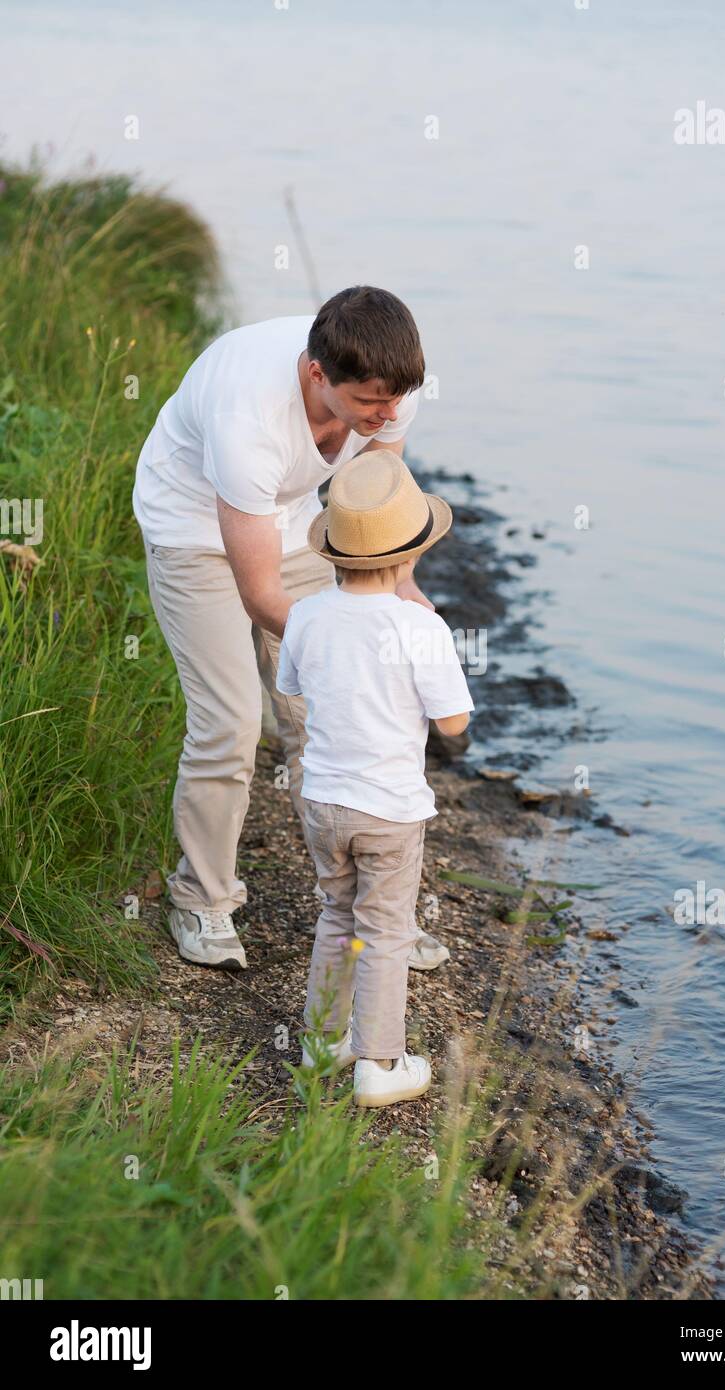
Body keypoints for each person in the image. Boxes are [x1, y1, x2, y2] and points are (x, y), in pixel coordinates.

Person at [132, 285, 452, 972]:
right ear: (317, 374)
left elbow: (376, 506)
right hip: (194, 526)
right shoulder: (249, 418)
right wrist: (350, 650)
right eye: (370, 402)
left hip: (291, 515)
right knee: (231, 722)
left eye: (396, 400)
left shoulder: (392, 388)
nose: (387, 414)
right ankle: (201, 898)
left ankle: (376, 913)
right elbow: (261, 595)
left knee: (329, 716)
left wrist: (401, 591)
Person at [278, 451, 473, 1106]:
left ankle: (322, 1043)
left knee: (337, 915)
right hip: (389, 810)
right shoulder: (421, 628)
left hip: (324, 802)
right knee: (385, 929)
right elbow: (452, 723)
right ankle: (380, 1063)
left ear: (334, 552)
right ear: (409, 557)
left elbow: (294, 686)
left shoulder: (306, 615)